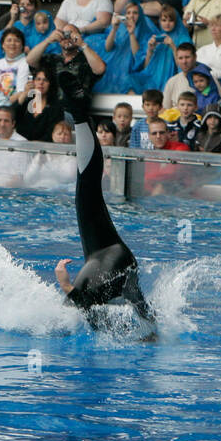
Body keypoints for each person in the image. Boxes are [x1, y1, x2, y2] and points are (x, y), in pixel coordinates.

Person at [54, 119, 155, 331]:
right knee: (87, 194)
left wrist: (67, 287)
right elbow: (85, 306)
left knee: (87, 194)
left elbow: (85, 307)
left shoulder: (76, 318)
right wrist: (66, 286)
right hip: (110, 261)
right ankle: (81, 118)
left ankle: (151, 331)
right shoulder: (91, 300)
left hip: (116, 264)